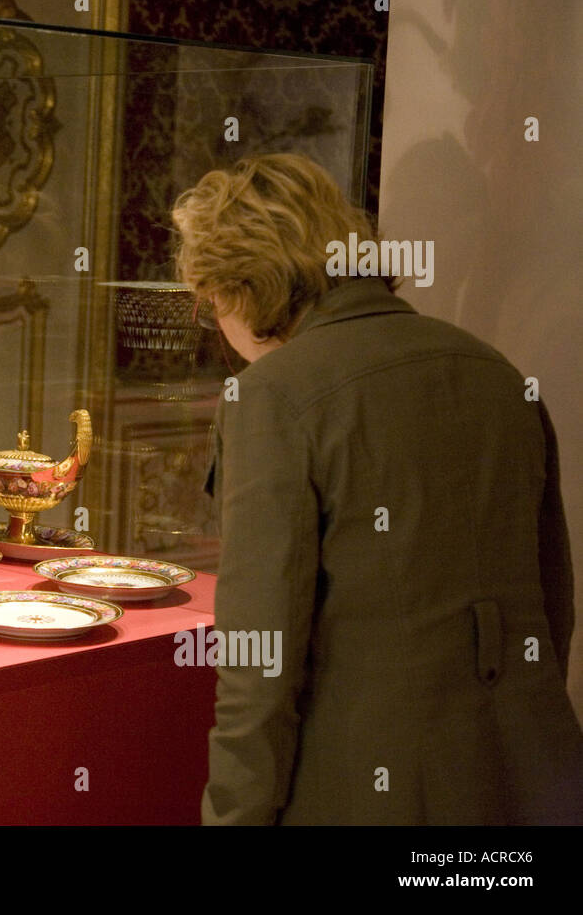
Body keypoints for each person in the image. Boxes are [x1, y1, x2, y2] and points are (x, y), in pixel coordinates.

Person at [171, 153, 583, 824]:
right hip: (532, 777)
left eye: (208, 301)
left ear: (240, 287)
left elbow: (259, 666)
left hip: (365, 791)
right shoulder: (500, 375)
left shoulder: (272, 397)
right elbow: (552, 604)